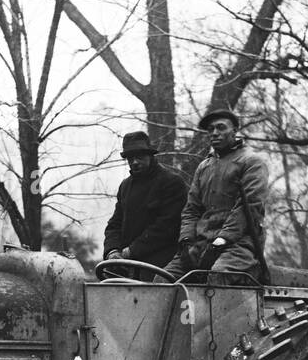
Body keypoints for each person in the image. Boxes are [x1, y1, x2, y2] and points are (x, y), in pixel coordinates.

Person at [163, 108, 270, 286]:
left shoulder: (252, 162)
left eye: (221, 128)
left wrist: (223, 239)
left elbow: (249, 207)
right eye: (210, 129)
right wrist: (186, 241)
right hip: (201, 245)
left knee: (218, 278)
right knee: (162, 279)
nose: (214, 133)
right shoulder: (204, 166)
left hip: (240, 245)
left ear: (234, 131)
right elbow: (191, 210)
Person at [102, 132, 188, 278]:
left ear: (150, 156)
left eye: (140, 156)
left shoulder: (172, 183)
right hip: (126, 261)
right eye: (130, 158)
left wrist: (132, 251)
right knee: (106, 284)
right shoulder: (125, 186)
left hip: (160, 259)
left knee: (150, 290)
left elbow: (167, 227)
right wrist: (112, 251)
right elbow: (114, 224)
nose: (134, 162)